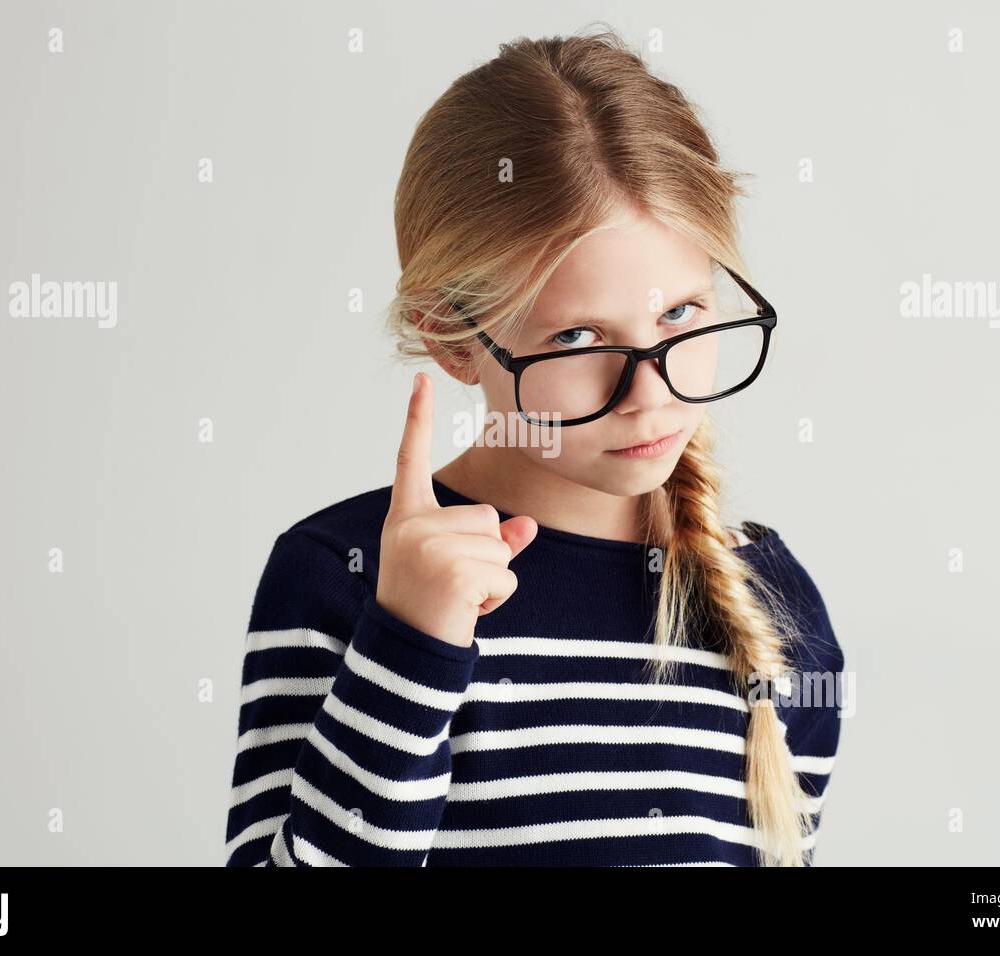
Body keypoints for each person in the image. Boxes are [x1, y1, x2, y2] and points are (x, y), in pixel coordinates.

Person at [225, 28, 845, 867]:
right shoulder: (345, 574)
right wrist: (412, 644)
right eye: (581, 336)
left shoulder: (770, 607)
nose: (650, 393)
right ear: (450, 335)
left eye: (681, 317)